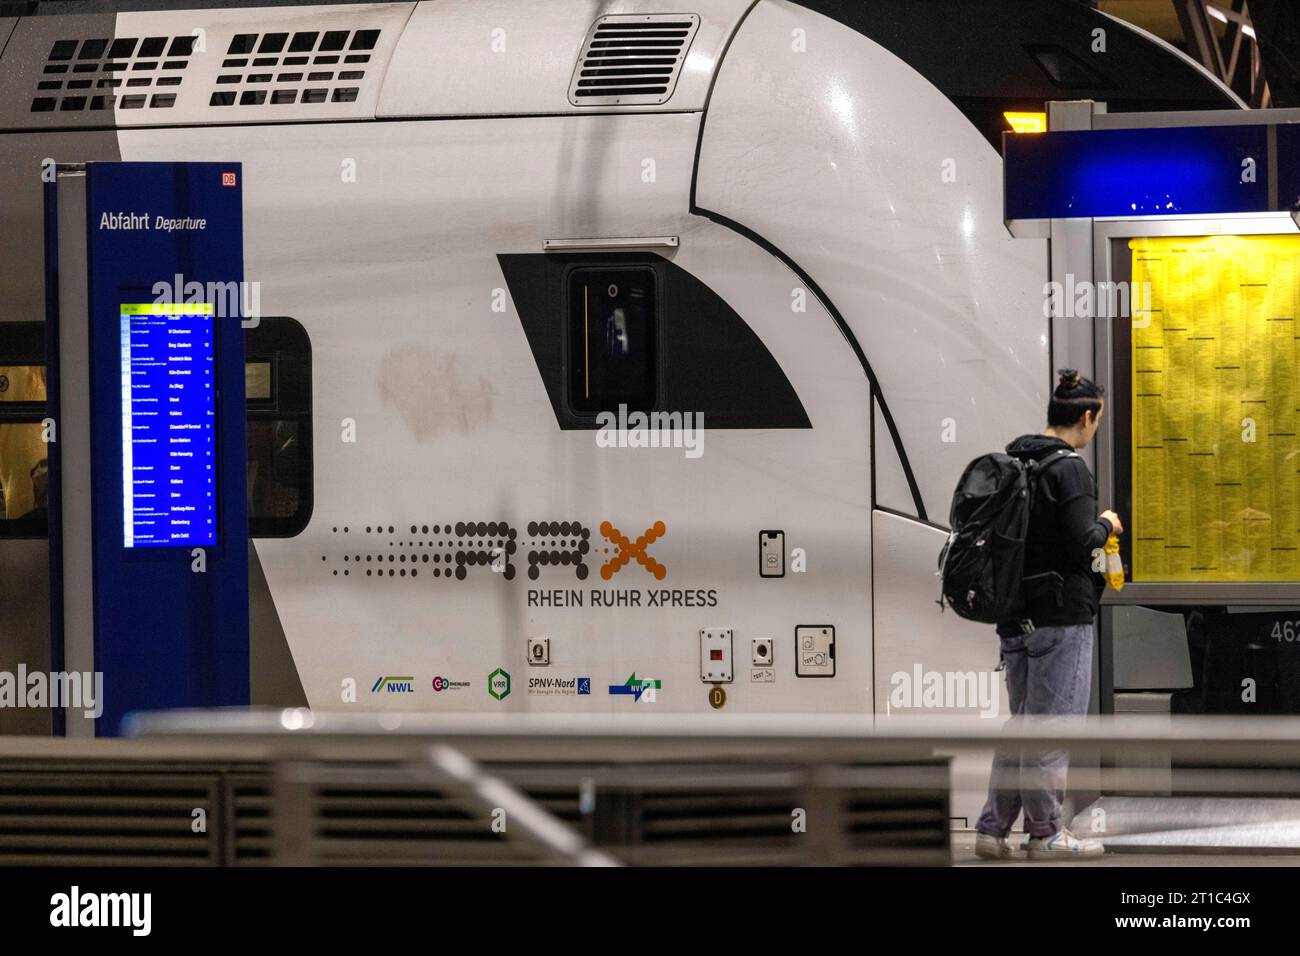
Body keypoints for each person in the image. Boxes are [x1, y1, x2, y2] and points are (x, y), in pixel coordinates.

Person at [974, 369, 1122, 861]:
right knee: (1051, 729)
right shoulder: (1069, 469)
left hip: (1016, 617)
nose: (1094, 427)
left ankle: (992, 831)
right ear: (1086, 416)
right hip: (1061, 618)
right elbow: (1083, 542)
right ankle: (1046, 833)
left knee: (1023, 727)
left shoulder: (1017, 459)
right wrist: (1105, 523)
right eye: (1096, 419)